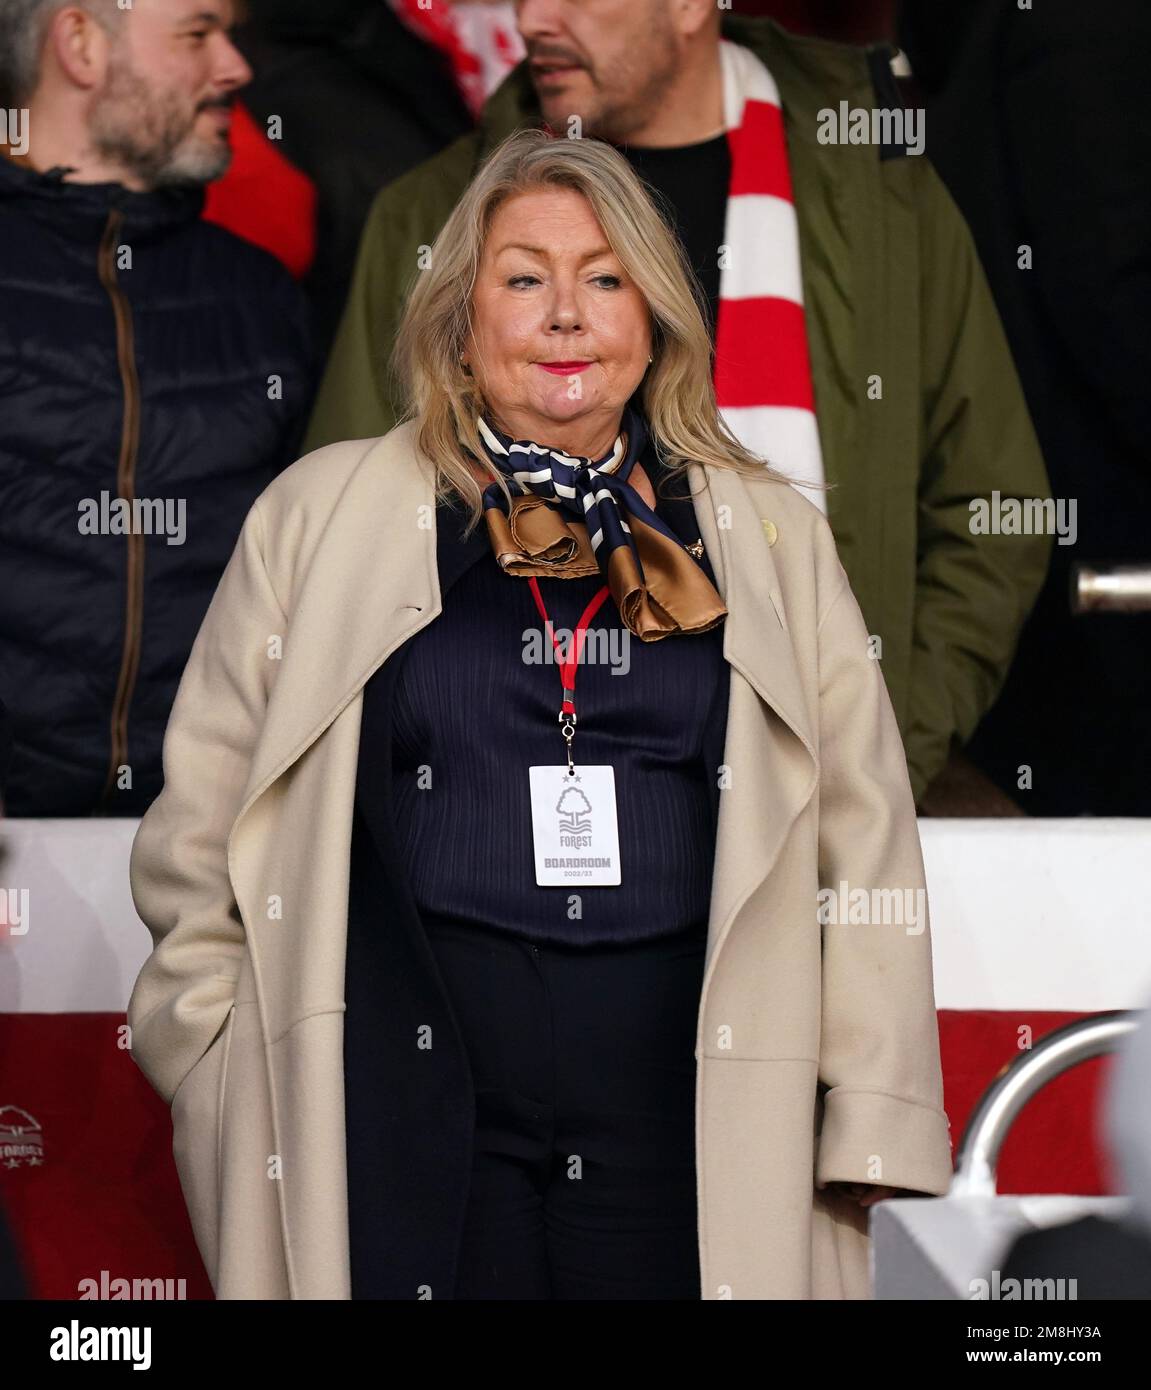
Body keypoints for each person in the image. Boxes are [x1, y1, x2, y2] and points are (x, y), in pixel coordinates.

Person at [126, 129, 952, 1300]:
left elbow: (864, 834)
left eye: (604, 280)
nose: (567, 316)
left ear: (654, 316)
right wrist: (213, 1053)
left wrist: (868, 1105)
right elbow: (197, 832)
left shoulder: (767, 532)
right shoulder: (319, 516)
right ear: (460, 317)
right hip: (404, 1103)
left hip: (692, 1101)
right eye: (524, 278)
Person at [305, 0, 1052, 812]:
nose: (531, 20)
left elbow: (990, 511)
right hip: (491, 823)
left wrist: (876, 745)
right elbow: (345, 541)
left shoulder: (883, 202)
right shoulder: (430, 215)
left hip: (822, 792)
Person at [0, 0, 313, 817]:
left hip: (215, 849)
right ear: (80, 43)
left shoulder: (261, 296)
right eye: (197, 33)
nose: (235, 67)